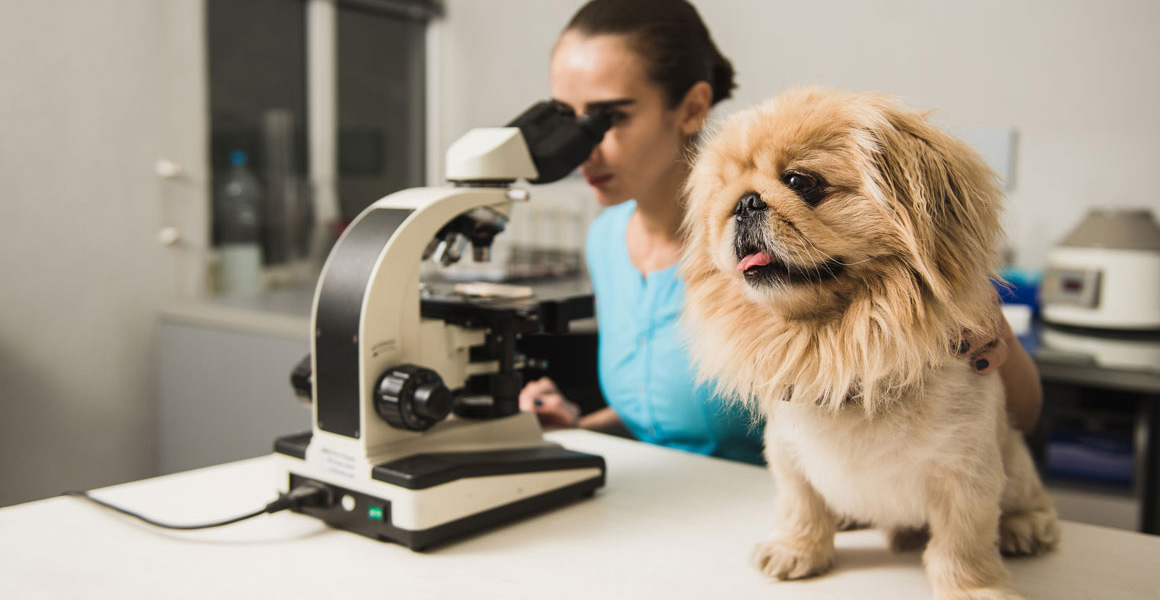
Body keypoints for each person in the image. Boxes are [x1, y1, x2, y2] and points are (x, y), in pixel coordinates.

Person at [518, 0, 1043, 465]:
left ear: (694, 107)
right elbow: (667, 414)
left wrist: (977, 317)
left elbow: (1013, 419)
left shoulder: (827, 253)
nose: (583, 147)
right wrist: (581, 426)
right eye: (566, 119)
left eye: (608, 117)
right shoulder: (607, 238)